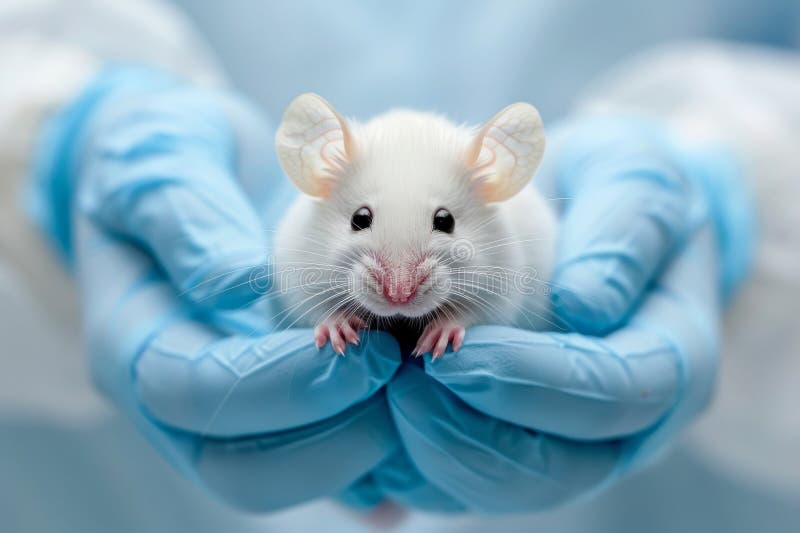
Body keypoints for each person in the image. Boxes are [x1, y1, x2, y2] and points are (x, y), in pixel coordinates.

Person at [0, 0, 798, 531]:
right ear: (324, 183)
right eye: (363, 221)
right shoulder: (305, 230)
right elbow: (290, 280)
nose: (400, 280)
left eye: (444, 225)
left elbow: (523, 289)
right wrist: (48, 151)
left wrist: (743, 199)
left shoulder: (509, 221)